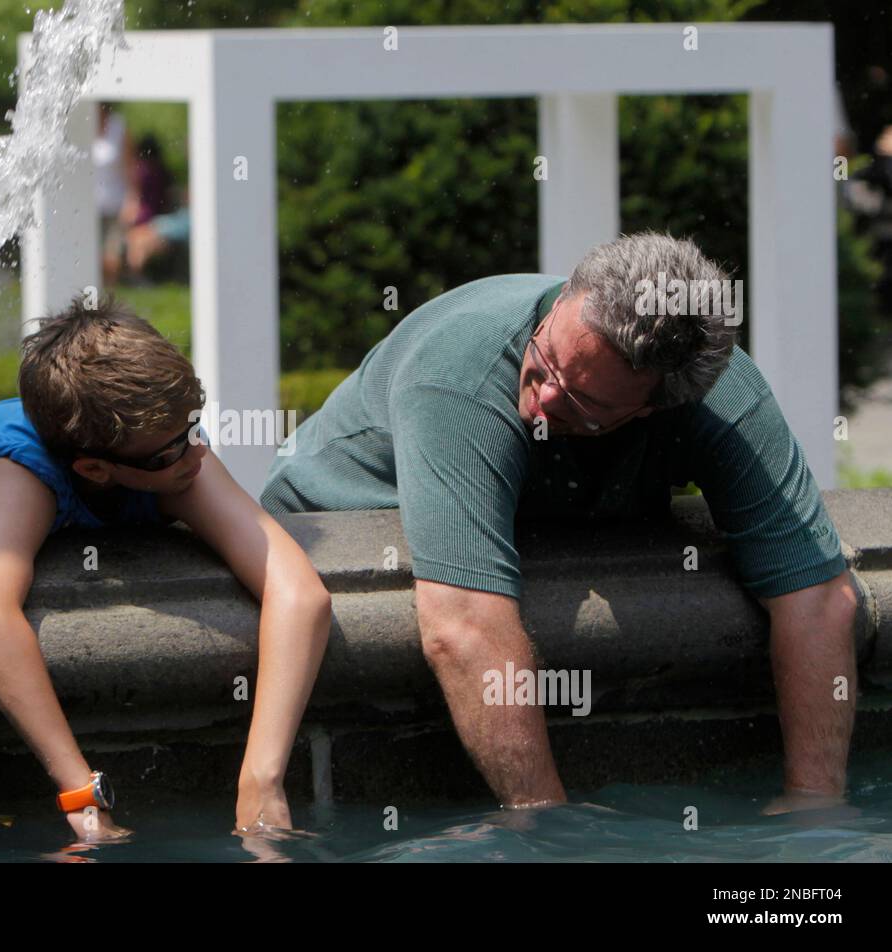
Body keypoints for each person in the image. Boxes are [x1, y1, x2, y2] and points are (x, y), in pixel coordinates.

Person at [261, 231, 860, 816]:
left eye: (583, 403)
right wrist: (548, 831)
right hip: (328, 521)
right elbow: (464, 628)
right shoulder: (461, 375)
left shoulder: (722, 397)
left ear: (655, 408)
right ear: (568, 297)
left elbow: (818, 599)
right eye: (545, 357)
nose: (541, 400)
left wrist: (813, 810)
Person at [0, 292, 331, 842]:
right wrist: (81, 794)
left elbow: (299, 594)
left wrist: (262, 779)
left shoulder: (165, 451)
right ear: (94, 468)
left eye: (195, 427)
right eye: (170, 451)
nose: (197, 456)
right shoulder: (20, 471)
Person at [93, 103, 134, 288]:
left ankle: (108, 298)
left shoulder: (119, 128)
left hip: (115, 203)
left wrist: (132, 199)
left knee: (111, 257)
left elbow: (130, 167)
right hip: (88, 207)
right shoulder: (81, 122)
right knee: (91, 257)